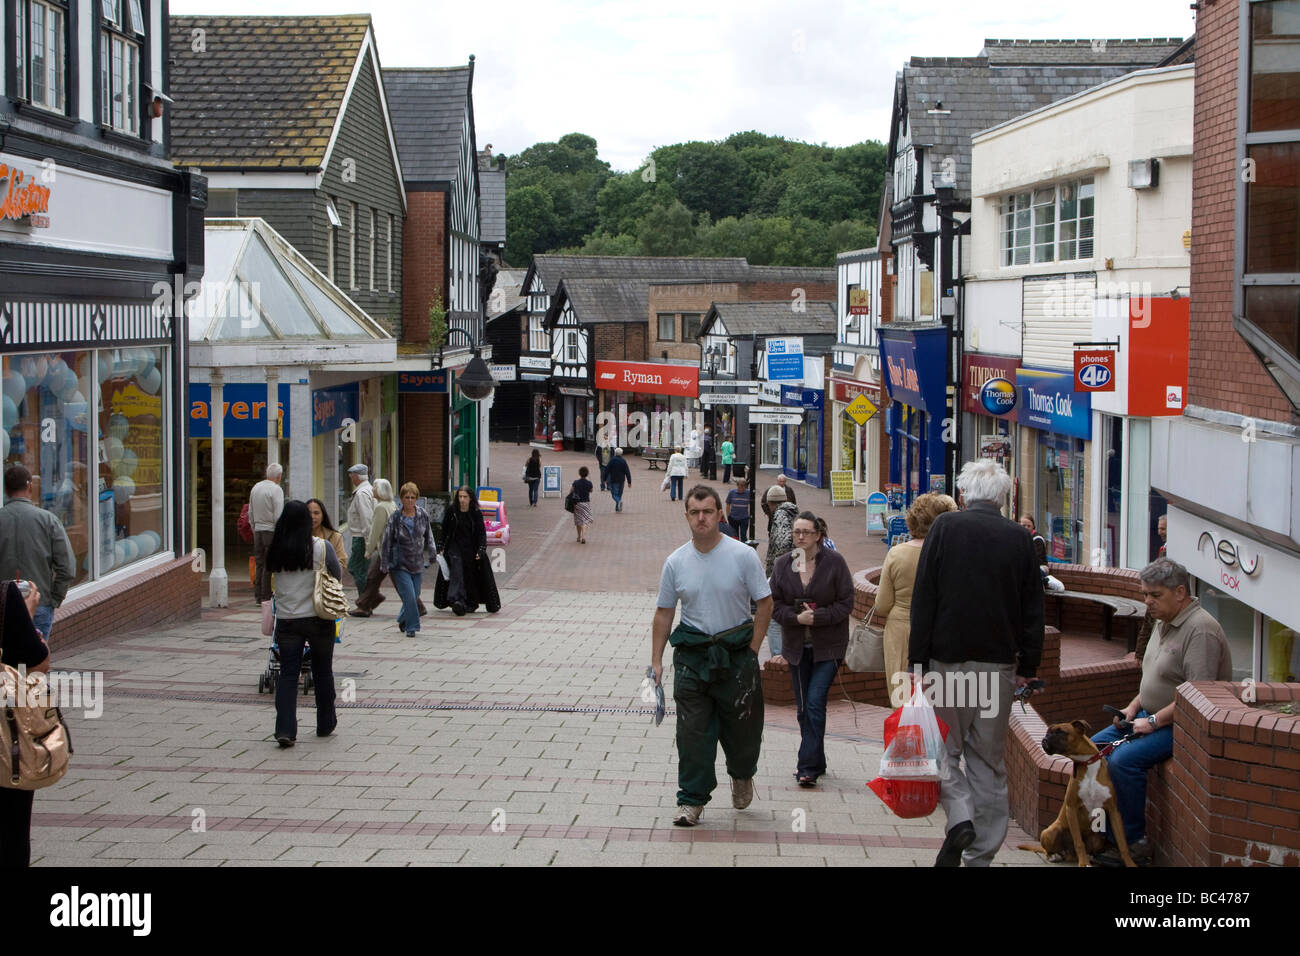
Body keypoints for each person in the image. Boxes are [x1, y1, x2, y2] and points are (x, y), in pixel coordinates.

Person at [909, 460, 1044, 867]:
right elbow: (1033, 609)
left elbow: (924, 598)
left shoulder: (945, 529)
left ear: (964, 494)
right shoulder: (1020, 538)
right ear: (1003, 497)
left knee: (943, 751)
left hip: (946, 663)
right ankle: (980, 855)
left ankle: (961, 817)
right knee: (988, 760)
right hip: (996, 668)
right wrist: (1029, 665)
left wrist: (917, 661)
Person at [1090, 557, 1231, 867]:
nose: (1147, 602)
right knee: (1093, 749)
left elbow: (1197, 696)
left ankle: (1132, 843)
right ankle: (1099, 829)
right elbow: (1156, 678)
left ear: (1180, 592)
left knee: (1123, 762)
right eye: (1145, 594)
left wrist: (1153, 722)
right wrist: (1132, 707)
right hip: (1147, 716)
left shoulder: (1201, 631)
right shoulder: (1162, 621)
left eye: (1155, 595)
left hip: (1179, 727)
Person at [652, 485, 773, 826]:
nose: (701, 518)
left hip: (736, 655)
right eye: (695, 512)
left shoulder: (742, 555)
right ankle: (691, 800)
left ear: (720, 514)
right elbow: (663, 613)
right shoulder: (676, 561)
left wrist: (753, 649)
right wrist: (657, 662)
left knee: (743, 730)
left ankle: (741, 773)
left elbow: (765, 603)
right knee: (692, 733)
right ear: (687, 516)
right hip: (693, 657)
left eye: (708, 511)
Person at [769, 512, 854, 787]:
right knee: (804, 708)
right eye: (796, 532)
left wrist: (819, 617)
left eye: (806, 532)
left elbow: (846, 603)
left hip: (828, 647)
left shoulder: (835, 563)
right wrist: (796, 618)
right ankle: (817, 759)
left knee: (815, 702)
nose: (800, 536)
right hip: (796, 647)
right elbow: (774, 605)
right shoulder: (783, 565)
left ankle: (806, 768)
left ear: (818, 535)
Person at [265, 500, 339, 747]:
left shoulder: (275, 550)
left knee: (287, 675)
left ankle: (285, 729)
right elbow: (337, 573)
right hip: (319, 618)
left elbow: (267, 584)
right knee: (322, 670)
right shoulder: (320, 547)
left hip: (287, 620)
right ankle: (325, 722)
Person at [875, 493, 957, 707]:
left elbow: (882, 605)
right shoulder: (950, 554)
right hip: (940, 632)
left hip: (901, 631)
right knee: (938, 703)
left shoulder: (897, 554)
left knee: (902, 701)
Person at [0, 578, 51, 865]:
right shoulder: (6, 598)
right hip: (5, 750)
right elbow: (38, 663)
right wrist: (27, 616)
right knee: (10, 833)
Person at [0, 464, 75, 640]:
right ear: (30, 487)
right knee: (35, 662)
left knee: (6, 662)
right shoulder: (48, 520)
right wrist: (54, 599)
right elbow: (67, 567)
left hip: (4, 606)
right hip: (39, 603)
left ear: (5, 489)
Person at [349, 479, 426, 619]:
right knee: (374, 578)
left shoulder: (381, 508)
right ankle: (365, 605)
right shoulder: (391, 504)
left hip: (388, 551)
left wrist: (368, 550)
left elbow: (375, 531)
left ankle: (417, 607)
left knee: (395, 581)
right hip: (392, 549)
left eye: (374, 487)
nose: (372, 490)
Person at [379, 483, 437, 638]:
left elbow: (429, 535)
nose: (410, 500)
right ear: (401, 499)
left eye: (413, 497)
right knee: (410, 596)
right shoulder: (396, 518)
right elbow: (387, 541)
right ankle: (411, 627)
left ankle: (402, 618)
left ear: (416, 499)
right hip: (400, 564)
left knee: (415, 593)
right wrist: (384, 563)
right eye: (406, 497)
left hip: (417, 563)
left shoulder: (422, 514)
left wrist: (432, 553)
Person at [435, 486, 501, 616]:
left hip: (470, 547)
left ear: (470, 498)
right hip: (454, 547)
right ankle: (457, 600)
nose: (462, 499)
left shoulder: (475, 512)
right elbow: (445, 529)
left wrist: (481, 549)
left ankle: (471, 602)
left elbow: (481, 533)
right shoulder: (452, 511)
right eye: (460, 496)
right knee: (457, 569)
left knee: (470, 574)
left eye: (465, 497)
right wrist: (441, 545)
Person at [248, 463, 285, 604]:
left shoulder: (256, 487)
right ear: (279, 476)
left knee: (259, 563)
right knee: (269, 564)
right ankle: (266, 595)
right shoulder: (276, 490)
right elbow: (278, 515)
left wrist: (254, 527)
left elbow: (250, 512)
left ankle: (258, 595)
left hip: (257, 530)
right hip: (271, 531)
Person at [345, 464, 375, 596]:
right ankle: (367, 598)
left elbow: (366, 518)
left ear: (356, 476)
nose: (350, 478)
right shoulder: (368, 489)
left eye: (351, 475)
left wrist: (369, 541)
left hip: (361, 537)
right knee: (357, 568)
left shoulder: (362, 493)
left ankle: (365, 601)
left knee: (356, 568)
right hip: (362, 536)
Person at [764, 490, 800, 577]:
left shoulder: (780, 514)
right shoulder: (792, 512)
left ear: (769, 503)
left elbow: (783, 543)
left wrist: (778, 568)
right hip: (796, 563)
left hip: (785, 571)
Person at [307, 498, 348, 571]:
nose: (312, 517)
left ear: (323, 516)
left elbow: (342, 563)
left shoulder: (335, 536)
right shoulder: (297, 537)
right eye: (308, 513)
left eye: (316, 513)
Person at [571, 466, 594, 544]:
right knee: (585, 520)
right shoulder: (589, 483)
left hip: (577, 504)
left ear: (579, 474)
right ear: (587, 474)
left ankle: (578, 536)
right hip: (586, 503)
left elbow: (571, 491)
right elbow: (591, 491)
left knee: (578, 520)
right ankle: (583, 537)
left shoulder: (575, 482)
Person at [606, 447, 632, 513]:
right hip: (622, 480)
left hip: (614, 480)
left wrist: (604, 478)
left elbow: (607, 470)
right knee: (619, 494)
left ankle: (618, 502)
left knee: (614, 494)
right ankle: (617, 508)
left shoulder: (612, 460)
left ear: (615, 453)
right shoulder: (623, 461)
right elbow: (627, 472)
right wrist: (629, 482)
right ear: (621, 454)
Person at [725, 477, 751, 542]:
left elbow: (751, 504)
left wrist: (749, 515)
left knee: (743, 536)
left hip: (744, 518)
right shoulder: (732, 492)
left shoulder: (748, 493)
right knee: (734, 536)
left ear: (745, 486)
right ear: (737, 485)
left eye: (743, 487)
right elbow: (728, 504)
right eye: (739, 486)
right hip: (733, 518)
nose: (741, 488)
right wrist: (728, 516)